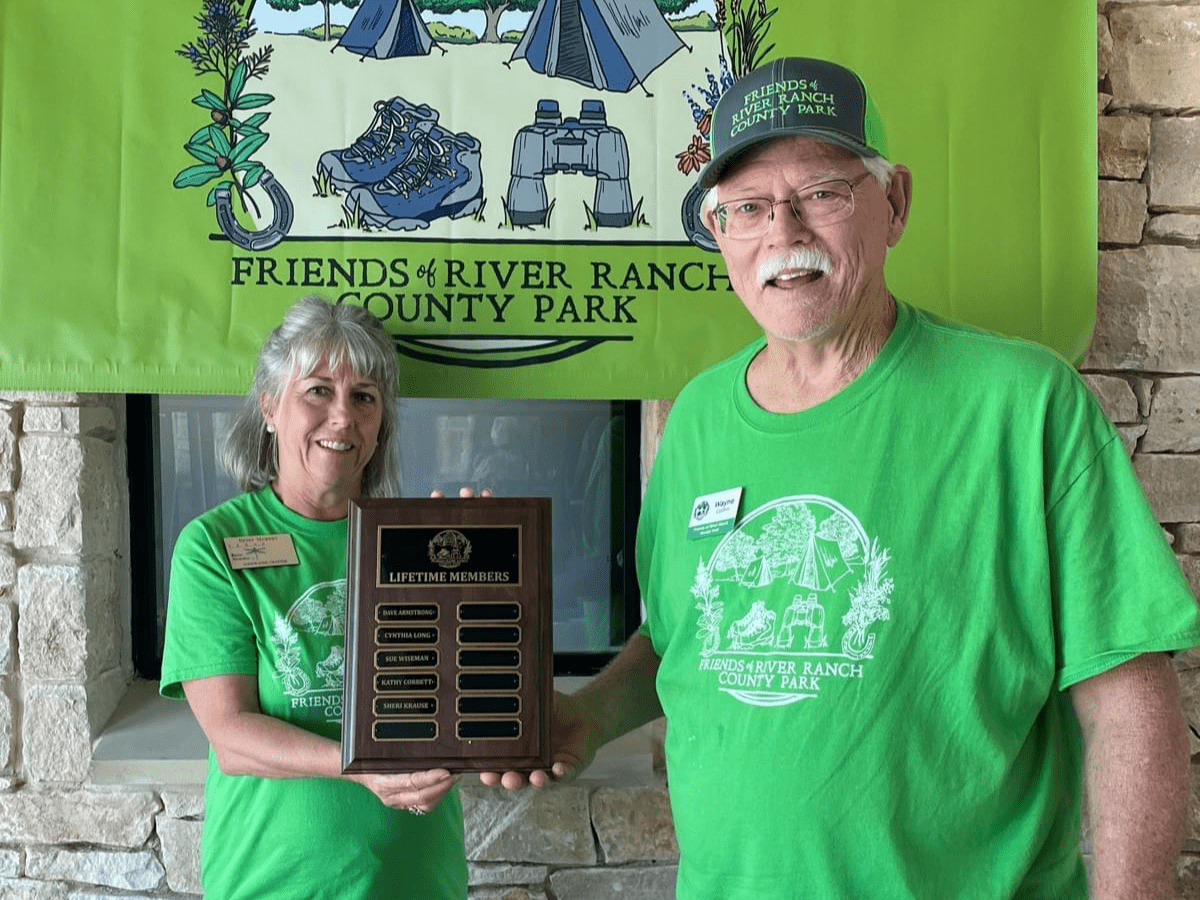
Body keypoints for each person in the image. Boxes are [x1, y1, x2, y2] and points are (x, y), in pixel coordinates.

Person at [484, 57, 1200, 899]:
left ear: (893, 206)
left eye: (822, 194)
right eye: (749, 207)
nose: (783, 233)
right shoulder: (699, 418)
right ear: (720, 233)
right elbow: (692, 636)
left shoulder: (1022, 404)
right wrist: (590, 714)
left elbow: (1128, 702)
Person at [160, 296, 467, 900]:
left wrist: (485, 561)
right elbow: (231, 736)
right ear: (270, 407)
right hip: (274, 884)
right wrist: (364, 768)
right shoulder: (215, 545)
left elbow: (458, 698)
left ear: (380, 426)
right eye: (318, 391)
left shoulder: (419, 544)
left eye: (364, 398)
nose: (342, 417)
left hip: (417, 881)